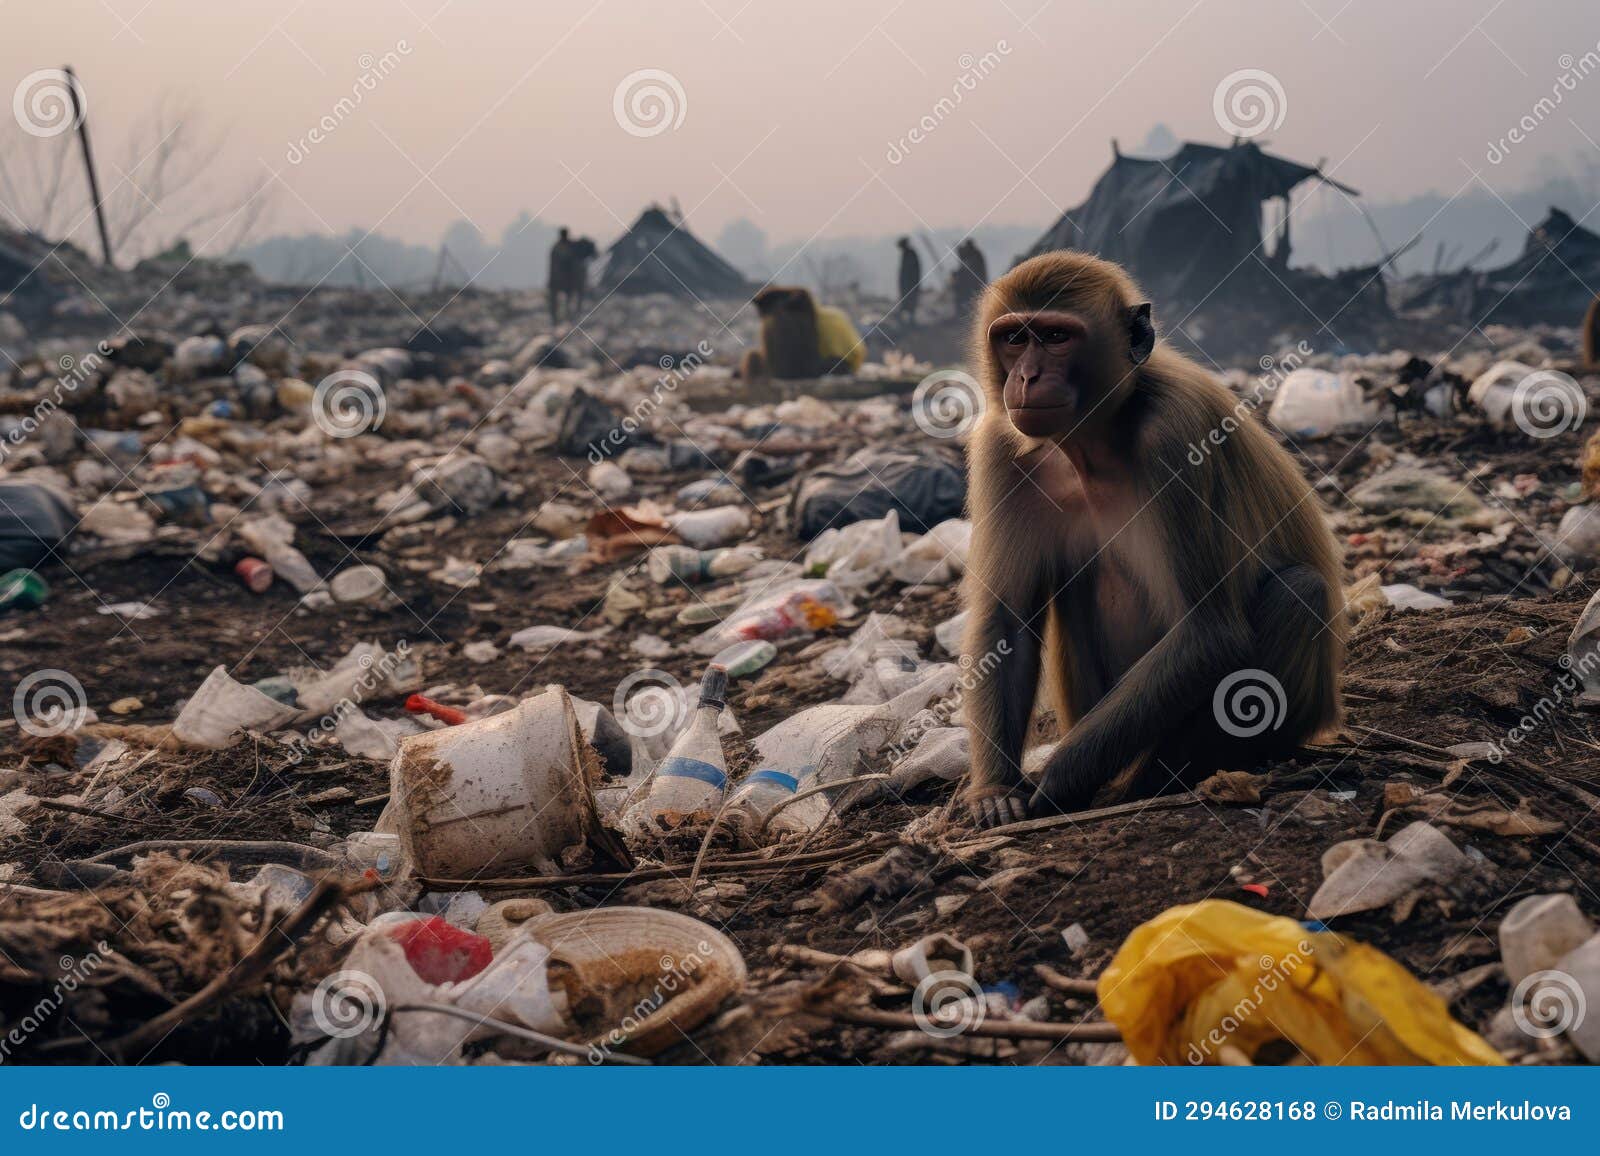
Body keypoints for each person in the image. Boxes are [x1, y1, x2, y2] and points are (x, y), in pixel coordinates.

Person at [952, 238, 989, 320]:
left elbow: (968, 269)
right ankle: (962, 314)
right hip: (971, 284)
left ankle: (967, 315)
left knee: (971, 299)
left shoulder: (975, 256)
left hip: (974, 284)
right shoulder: (972, 256)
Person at [547, 227, 573, 324]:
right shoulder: (560, 247)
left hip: (564, 277)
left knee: (566, 300)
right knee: (558, 301)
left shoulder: (558, 247)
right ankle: (557, 319)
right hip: (561, 277)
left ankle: (566, 318)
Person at [897, 236, 922, 325]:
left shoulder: (910, 254)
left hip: (911, 284)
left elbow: (912, 271)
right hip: (906, 284)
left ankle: (910, 322)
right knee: (906, 303)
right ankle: (906, 322)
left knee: (910, 304)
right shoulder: (906, 254)